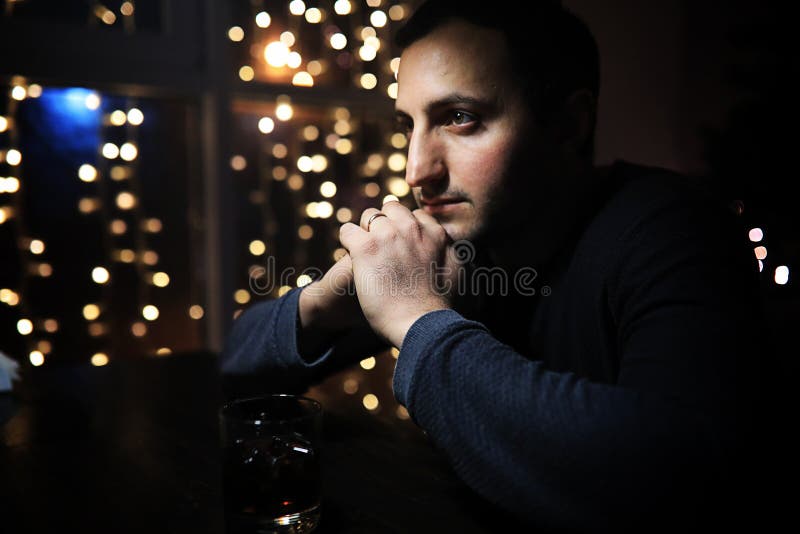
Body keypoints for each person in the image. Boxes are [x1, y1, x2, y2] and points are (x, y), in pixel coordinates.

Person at [223, 1, 775, 531]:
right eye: (406, 126)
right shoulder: (457, 241)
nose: (417, 169)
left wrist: (417, 320)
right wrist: (326, 302)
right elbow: (236, 371)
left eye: (459, 118)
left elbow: (662, 477)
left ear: (567, 125)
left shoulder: (675, 229)